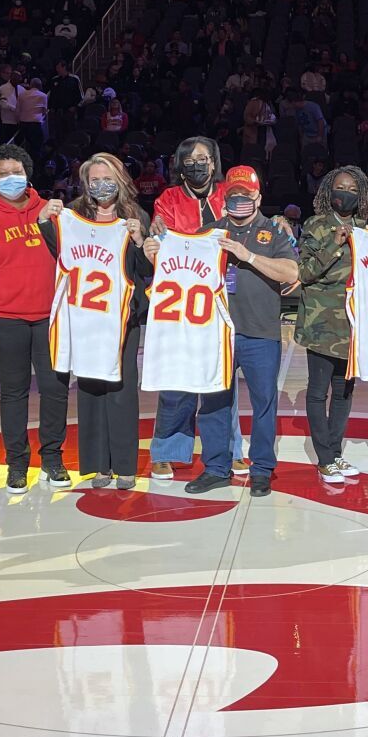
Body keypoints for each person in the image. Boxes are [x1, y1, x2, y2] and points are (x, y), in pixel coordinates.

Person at [0, 142, 69, 494]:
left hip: (50, 317)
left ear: (28, 174)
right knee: (13, 393)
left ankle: (52, 459)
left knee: (55, 390)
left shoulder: (51, 211)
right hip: (4, 319)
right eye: (3, 174)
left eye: (16, 172)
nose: (11, 178)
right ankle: (17, 464)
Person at [40, 154, 153, 488]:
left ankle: (125, 465)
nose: (101, 185)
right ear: (85, 183)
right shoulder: (73, 214)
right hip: (85, 316)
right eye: (94, 180)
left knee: (121, 387)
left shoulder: (135, 216)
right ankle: (99, 465)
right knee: (90, 386)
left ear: (120, 180)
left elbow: (145, 270)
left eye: (107, 178)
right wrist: (44, 220)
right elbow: (58, 251)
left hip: (123, 316)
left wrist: (139, 241)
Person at [213, 166, 299, 497]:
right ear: (225, 198)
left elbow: (290, 272)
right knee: (215, 403)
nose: (240, 200)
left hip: (261, 333)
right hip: (219, 333)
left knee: (264, 403)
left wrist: (247, 256)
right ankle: (216, 467)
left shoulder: (273, 231)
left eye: (246, 195)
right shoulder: (211, 231)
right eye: (233, 195)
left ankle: (261, 468)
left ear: (258, 198)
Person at [147, 137, 227, 480]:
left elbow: (252, 221)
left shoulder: (228, 194)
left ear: (214, 163)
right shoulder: (168, 199)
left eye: (204, 159)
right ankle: (166, 451)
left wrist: (279, 220)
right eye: (191, 160)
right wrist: (155, 236)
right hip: (183, 297)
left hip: (224, 294)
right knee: (177, 379)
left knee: (221, 379)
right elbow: (162, 238)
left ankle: (226, 450)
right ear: (181, 166)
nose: (198, 165)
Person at [295, 167, 368, 482]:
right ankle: (324, 458)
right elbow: (305, 272)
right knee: (318, 391)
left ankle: (336, 453)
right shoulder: (316, 225)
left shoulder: (366, 228)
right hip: (321, 322)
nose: (346, 193)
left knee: (343, 392)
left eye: (352, 189)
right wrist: (334, 244)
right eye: (340, 187)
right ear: (329, 191)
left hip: (353, 323)